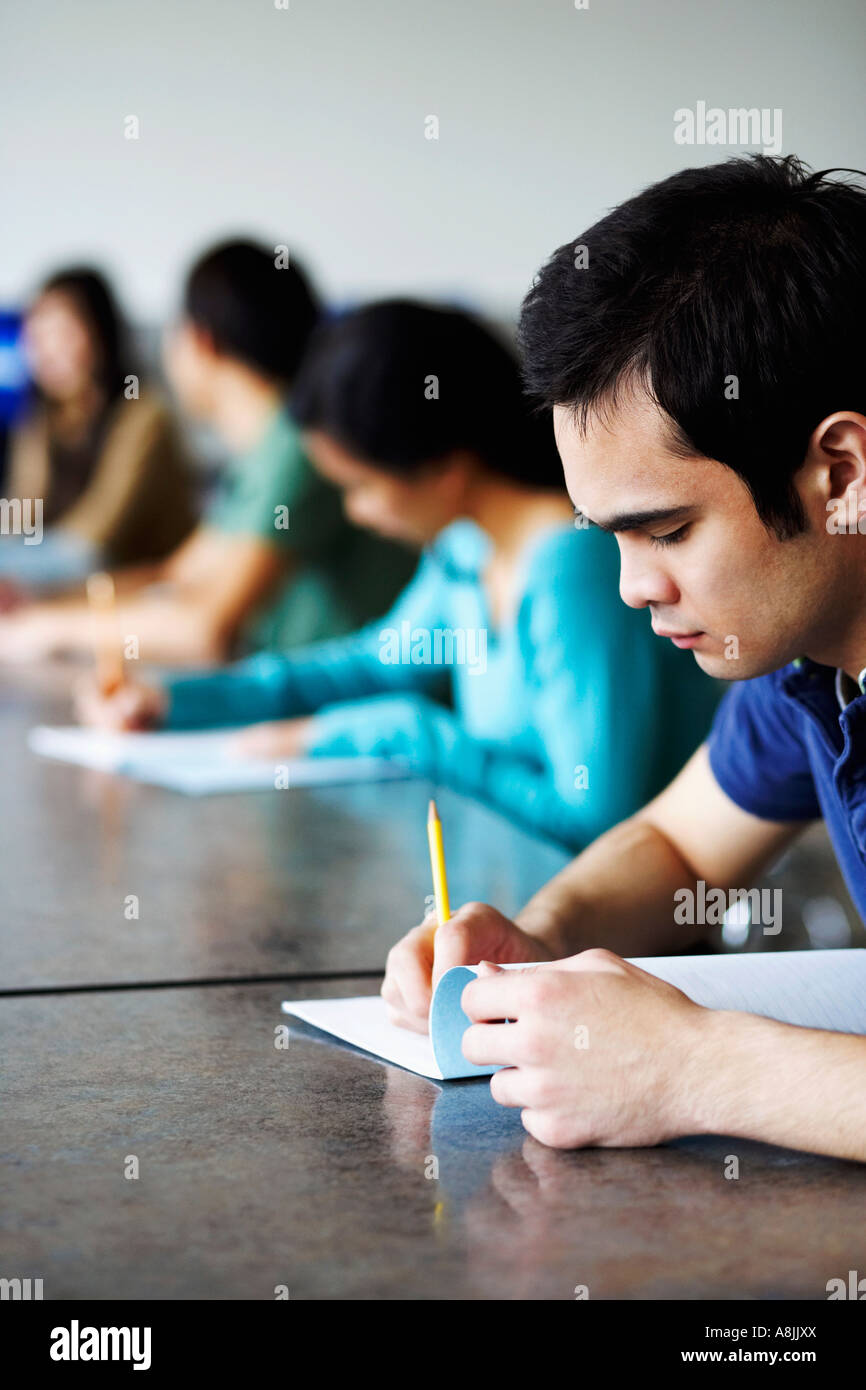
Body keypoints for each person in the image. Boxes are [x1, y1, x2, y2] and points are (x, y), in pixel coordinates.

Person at [380, 155, 866, 1162]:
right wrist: (538, 938)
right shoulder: (802, 663)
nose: (628, 588)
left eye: (665, 530)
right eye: (605, 535)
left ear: (838, 473)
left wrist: (692, 1067)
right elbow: (681, 848)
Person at [75, 300, 720, 850]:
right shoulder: (466, 551)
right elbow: (371, 664)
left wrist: (405, 733)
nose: (357, 513)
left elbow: (594, 826)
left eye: (359, 486)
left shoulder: (570, 567)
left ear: (443, 468)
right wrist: (174, 702)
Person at [0, 243, 413, 665]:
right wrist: (34, 607)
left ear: (201, 340)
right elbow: (177, 577)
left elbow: (204, 630)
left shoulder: (298, 450)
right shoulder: (266, 451)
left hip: (338, 707)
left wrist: (42, 629)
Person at [0, 267, 194, 591]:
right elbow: (22, 512)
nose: (48, 352)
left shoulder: (144, 415)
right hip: (75, 593)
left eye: (63, 333)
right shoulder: (42, 416)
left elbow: (92, 543)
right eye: (38, 337)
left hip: (145, 595)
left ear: (99, 332)